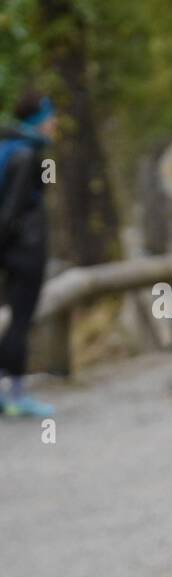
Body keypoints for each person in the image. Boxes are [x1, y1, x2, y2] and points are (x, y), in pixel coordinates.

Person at [0, 92, 56, 419]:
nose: (55, 124)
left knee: (14, 323)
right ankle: (16, 396)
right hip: (25, 250)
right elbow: (14, 209)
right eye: (51, 118)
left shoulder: (9, 146)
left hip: (13, 249)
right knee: (20, 321)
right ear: (38, 120)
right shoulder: (28, 156)